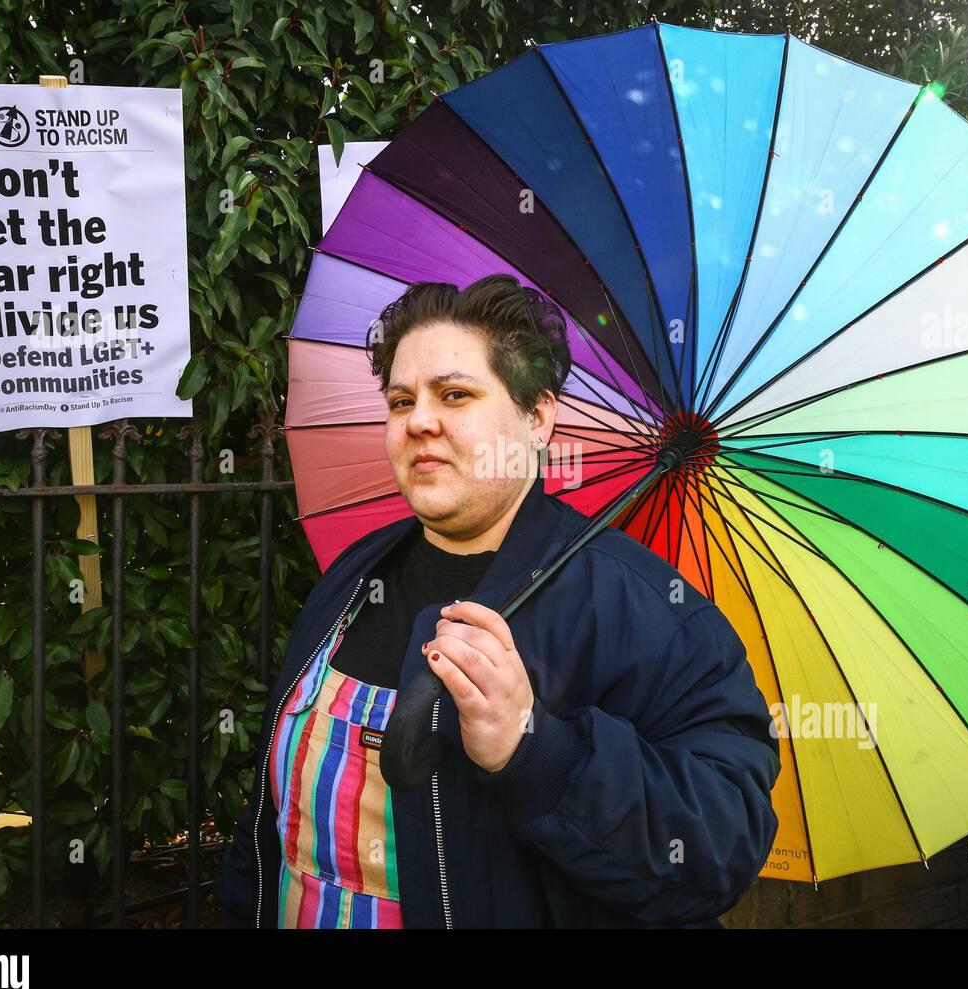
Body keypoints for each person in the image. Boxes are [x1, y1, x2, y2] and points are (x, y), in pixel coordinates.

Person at [214, 273, 782, 928]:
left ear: (537, 417)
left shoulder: (649, 611)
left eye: (454, 394)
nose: (419, 421)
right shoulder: (353, 576)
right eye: (401, 402)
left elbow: (721, 846)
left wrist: (534, 749)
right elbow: (274, 821)